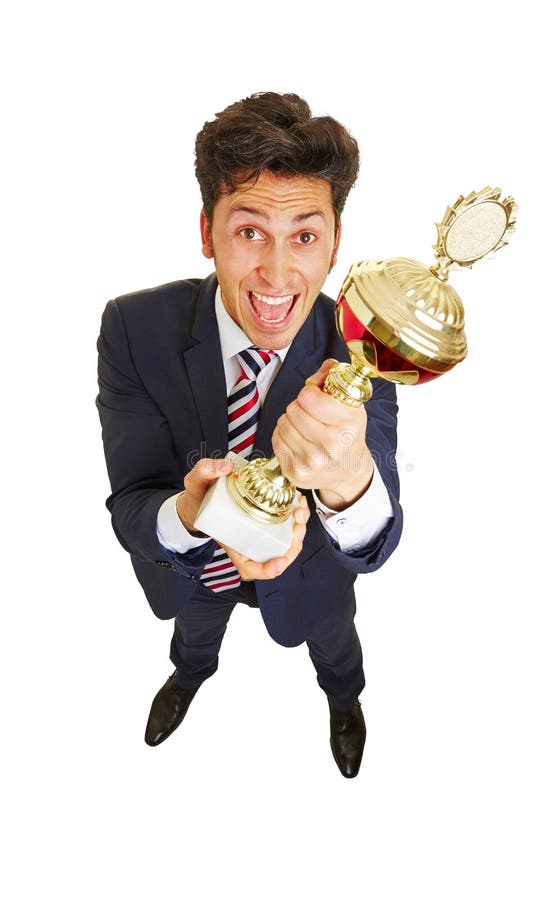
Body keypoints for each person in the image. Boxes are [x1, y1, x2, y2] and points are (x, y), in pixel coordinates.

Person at [96, 92, 403, 778]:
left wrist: (348, 475)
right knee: (193, 638)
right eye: (249, 231)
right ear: (207, 233)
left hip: (313, 578)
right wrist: (186, 513)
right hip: (196, 567)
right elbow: (131, 505)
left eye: (303, 234)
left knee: (336, 647)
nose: (276, 273)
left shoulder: (361, 346)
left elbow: (377, 539)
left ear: (334, 243)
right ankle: (188, 678)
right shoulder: (133, 329)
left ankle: (345, 703)